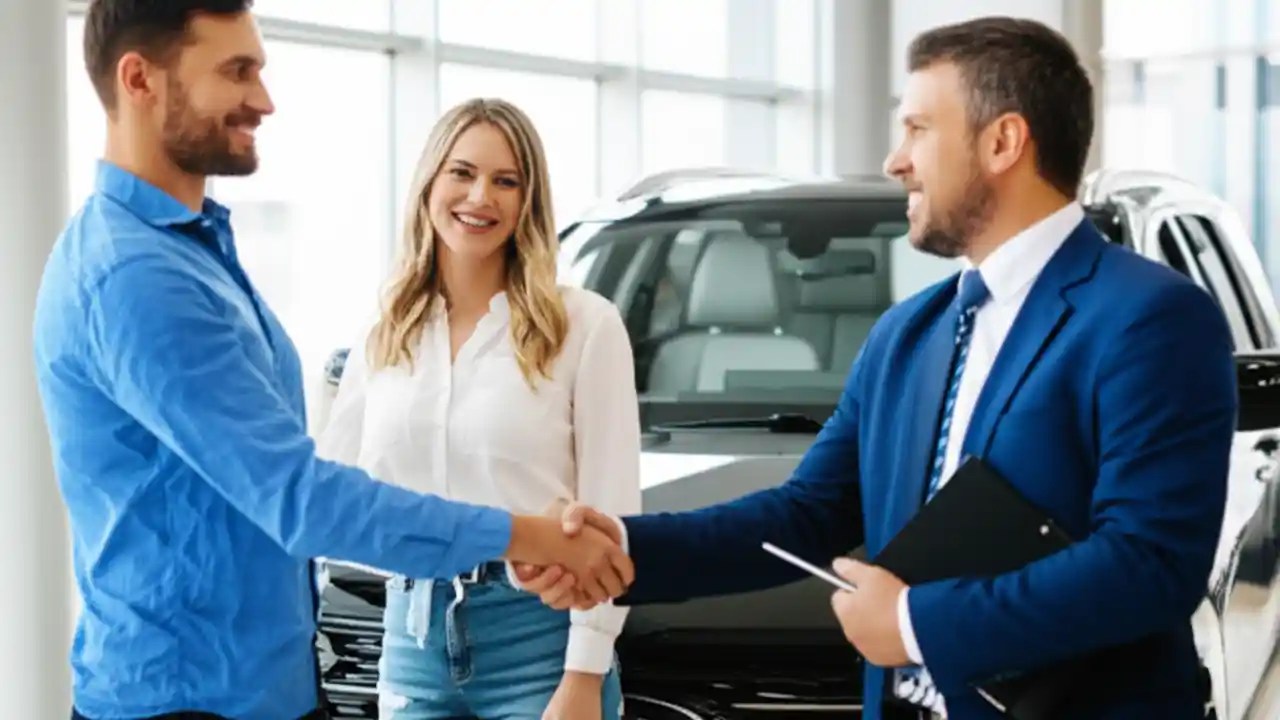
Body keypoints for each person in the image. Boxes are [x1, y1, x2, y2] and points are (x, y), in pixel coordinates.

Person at [517, 16, 1237, 720]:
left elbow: (1150, 564)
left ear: (1003, 141)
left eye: (918, 128)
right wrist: (620, 547)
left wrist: (917, 623)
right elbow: (804, 515)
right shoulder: (907, 334)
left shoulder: (1152, 318)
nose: (896, 159)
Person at [33, 3, 631, 720]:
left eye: (506, 180)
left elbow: (295, 480)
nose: (264, 98)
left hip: (273, 682)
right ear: (140, 80)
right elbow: (306, 496)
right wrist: (528, 533)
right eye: (237, 71)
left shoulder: (199, 256)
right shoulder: (137, 275)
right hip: (190, 693)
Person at [314, 97, 640, 720]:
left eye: (505, 180)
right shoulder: (386, 332)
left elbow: (614, 517)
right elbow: (332, 495)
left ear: (528, 202)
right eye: (462, 173)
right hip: (411, 641)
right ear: (429, 183)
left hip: (541, 641)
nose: (480, 196)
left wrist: (583, 677)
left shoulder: (584, 326)